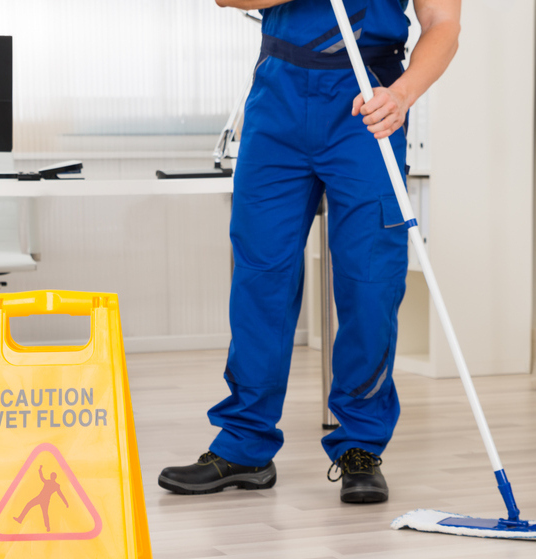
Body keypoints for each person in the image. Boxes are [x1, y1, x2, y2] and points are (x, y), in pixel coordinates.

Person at [159, 0, 461, 503]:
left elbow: (443, 24)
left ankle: (360, 446)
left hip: (369, 99)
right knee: (261, 274)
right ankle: (245, 444)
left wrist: (403, 96)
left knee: (370, 281)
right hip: (279, 94)